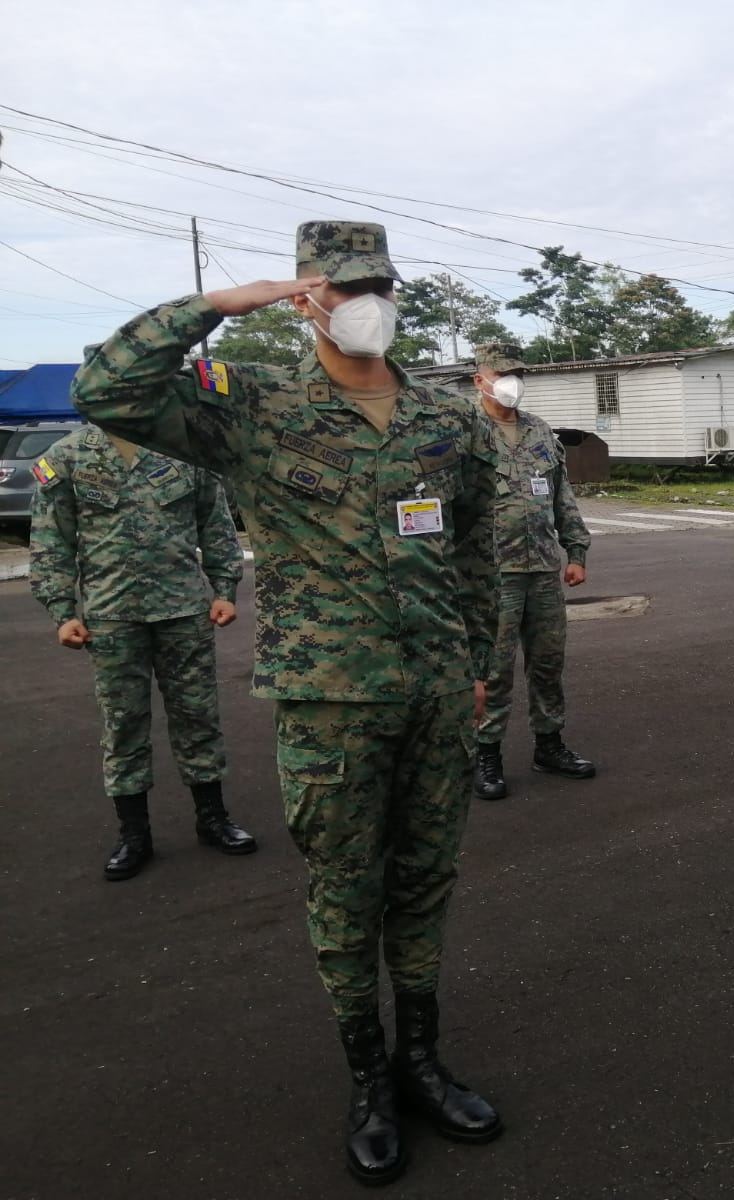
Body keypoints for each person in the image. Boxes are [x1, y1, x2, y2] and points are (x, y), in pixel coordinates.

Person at [71, 221, 503, 1184]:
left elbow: (473, 544)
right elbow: (103, 389)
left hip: (436, 692)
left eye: (378, 283)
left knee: (425, 885)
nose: (365, 301)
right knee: (347, 895)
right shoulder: (253, 406)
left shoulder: (447, 417)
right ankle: (368, 1080)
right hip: (330, 701)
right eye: (341, 285)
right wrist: (222, 304)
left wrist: (477, 657)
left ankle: (422, 1058)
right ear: (306, 296)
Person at [29, 424, 251, 880]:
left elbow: (215, 522)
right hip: (111, 616)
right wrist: (61, 610)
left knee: (198, 716)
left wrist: (225, 587)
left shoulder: (184, 449)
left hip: (184, 611)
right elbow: (52, 540)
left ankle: (213, 819)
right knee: (123, 725)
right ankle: (134, 834)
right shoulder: (67, 456)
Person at [470, 342, 594, 800]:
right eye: (500, 373)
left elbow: (562, 495)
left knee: (547, 662)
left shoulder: (541, 432)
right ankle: (486, 753)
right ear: (477, 379)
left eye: (517, 373)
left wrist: (576, 551)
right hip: (491, 573)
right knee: (494, 668)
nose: (510, 382)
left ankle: (549, 745)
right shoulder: (465, 430)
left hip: (542, 568)